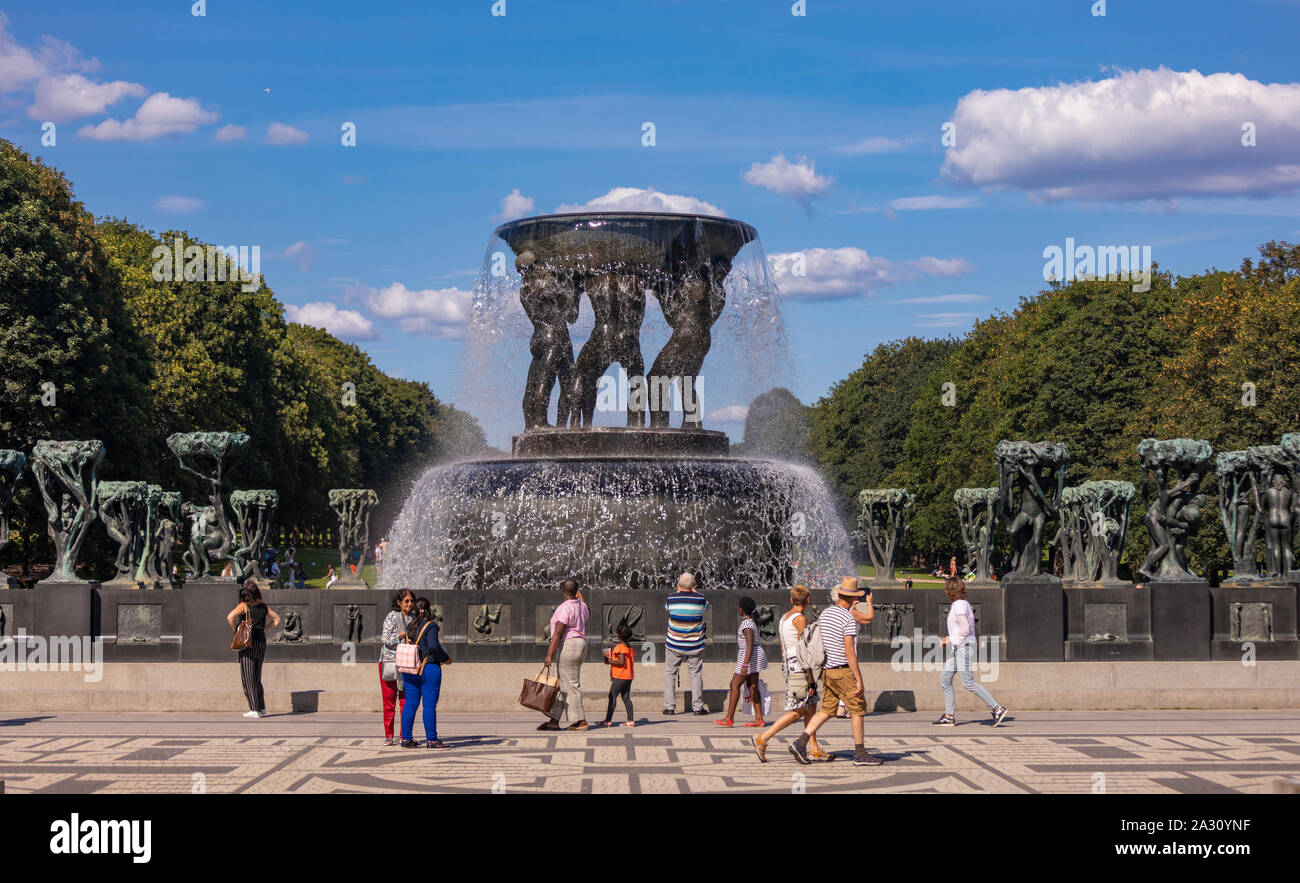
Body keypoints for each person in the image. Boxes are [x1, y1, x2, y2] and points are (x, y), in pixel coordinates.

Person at [789, 576, 881, 767]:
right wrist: (858, 678)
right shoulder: (847, 617)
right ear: (853, 598)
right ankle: (860, 754)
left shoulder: (826, 613)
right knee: (858, 710)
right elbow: (849, 651)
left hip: (827, 671)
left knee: (827, 710)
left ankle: (801, 742)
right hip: (843, 670)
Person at [752, 585, 830, 762]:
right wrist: (811, 679)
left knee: (811, 707)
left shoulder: (783, 619)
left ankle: (814, 747)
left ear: (791, 600)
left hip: (788, 664)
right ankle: (763, 738)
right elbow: (804, 649)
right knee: (799, 710)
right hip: (799, 667)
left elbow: (783, 647)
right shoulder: (800, 619)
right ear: (808, 600)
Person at [933, 577, 1008, 727]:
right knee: (945, 679)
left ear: (950, 589)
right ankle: (949, 716)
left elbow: (965, 629)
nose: (945, 591)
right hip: (958, 647)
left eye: (946, 588)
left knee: (968, 682)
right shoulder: (960, 604)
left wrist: (949, 639)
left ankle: (997, 708)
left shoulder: (959, 605)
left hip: (963, 647)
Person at [399, 597, 453, 749]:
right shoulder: (431, 626)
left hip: (410, 669)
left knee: (410, 704)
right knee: (429, 705)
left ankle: (406, 739)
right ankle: (432, 740)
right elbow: (434, 646)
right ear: (426, 609)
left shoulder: (410, 626)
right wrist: (446, 659)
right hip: (428, 668)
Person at [540, 578, 590, 731]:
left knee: (571, 684)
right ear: (577, 591)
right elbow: (584, 604)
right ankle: (554, 720)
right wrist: (578, 595)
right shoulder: (582, 606)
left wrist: (549, 654)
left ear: (563, 590)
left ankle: (580, 721)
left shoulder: (564, 608)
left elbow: (559, 633)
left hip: (569, 646)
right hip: (581, 645)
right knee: (565, 683)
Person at [225, 580, 280, 719]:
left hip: (248, 644)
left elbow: (230, 617)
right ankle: (262, 708)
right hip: (261, 643)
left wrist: (236, 630)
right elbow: (277, 620)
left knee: (248, 678)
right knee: (257, 678)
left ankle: (254, 709)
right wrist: (265, 629)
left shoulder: (244, 606)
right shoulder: (264, 607)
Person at [716, 596, 767, 728]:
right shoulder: (752, 621)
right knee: (752, 686)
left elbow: (749, 645)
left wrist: (745, 665)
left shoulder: (746, 624)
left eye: (738, 606)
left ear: (741, 609)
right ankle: (759, 719)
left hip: (748, 656)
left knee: (734, 684)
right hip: (755, 655)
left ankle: (729, 718)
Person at [663, 572, 709, 715]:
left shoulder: (671, 598)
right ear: (694, 585)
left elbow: (667, 609)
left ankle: (670, 707)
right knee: (695, 674)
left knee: (670, 673)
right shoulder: (701, 599)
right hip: (695, 645)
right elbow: (706, 608)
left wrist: (679, 591)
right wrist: (694, 591)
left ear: (678, 584)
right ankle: (697, 707)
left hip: (674, 644)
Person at [379, 589, 414, 745]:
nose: (409, 604)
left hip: (407, 662)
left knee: (406, 700)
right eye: (406, 601)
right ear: (399, 602)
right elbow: (385, 638)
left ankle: (404, 734)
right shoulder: (392, 616)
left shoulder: (414, 618)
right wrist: (401, 635)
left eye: (411, 601)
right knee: (389, 699)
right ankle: (389, 735)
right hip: (389, 662)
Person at [601, 621, 636, 727]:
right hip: (628, 676)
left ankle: (607, 720)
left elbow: (621, 662)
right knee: (626, 697)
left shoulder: (620, 647)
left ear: (618, 635)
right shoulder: (630, 648)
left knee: (612, 696)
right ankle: (630, 721)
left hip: (620, 676)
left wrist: (608, 661)